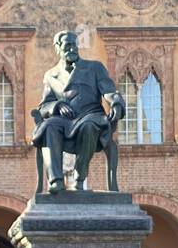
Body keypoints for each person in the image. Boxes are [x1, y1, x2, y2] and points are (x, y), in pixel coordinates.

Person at [31, 30, 125, 194]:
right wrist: (57, 106)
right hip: (65, 120)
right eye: (68, 46)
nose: (72, 49)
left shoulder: (94, 67)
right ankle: (56, 181)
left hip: (91, 114)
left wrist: (116, 103)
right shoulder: (51, 75)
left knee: (89, 126)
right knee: (49, 126)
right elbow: (44, 106)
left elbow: (109, 90)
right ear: (58, 48)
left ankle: (79, 178)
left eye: (74, 45)